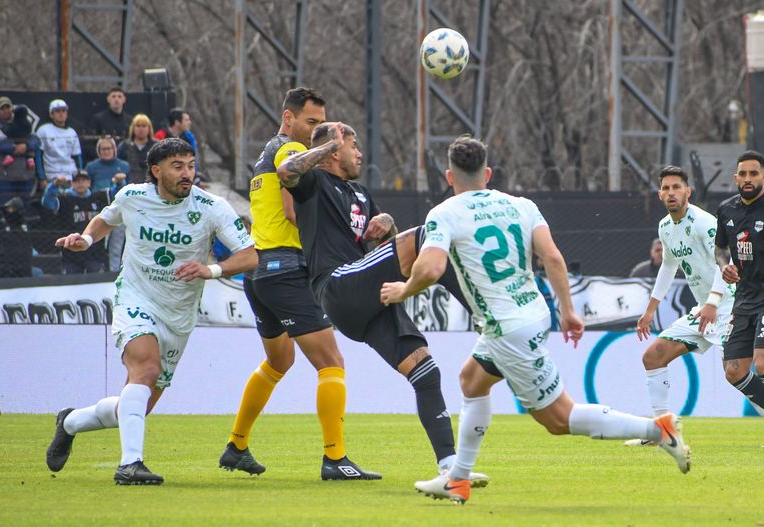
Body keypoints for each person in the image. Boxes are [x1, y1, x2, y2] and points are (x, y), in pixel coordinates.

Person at [379, 136, 691, 504]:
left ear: (450, 177)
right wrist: (568, 309)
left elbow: (430, 268)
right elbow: (554, 259)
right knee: (471, 380)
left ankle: (659, 430)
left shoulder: (444, 213)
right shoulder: (521, 205)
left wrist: (403, 290)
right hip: (531, 313)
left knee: (559, 419)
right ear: (488, 173)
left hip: (506, 328)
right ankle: (457, 479)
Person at [277, 122, 488, 486]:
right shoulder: (314, 184)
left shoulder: (359, 194)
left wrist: (388, 224)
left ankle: (450, 468)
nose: (359, 153)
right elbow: (286, 171)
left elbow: (384, 250)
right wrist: (327, 147)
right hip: (338, 284)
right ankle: (486, 317)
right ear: (333, 149)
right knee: (426, 236)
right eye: (353, 145)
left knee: (426, 372)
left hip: (367, 300)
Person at [45, 138, 258, 485]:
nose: (187, 173)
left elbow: (250, 255)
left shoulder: (211, 207)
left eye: (190, 165)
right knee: (145, 368)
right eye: (178, 166)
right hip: (136, 298)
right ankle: (130, 465)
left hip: (179, 314)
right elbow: (105, 219)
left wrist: (211, 270)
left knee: (136, 406)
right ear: (156, 171)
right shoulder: (132, 197)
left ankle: (69, 422)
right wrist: (85, 239)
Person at [218, 88, 378, 480]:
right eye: (310, 121)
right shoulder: (288, 149)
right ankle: (335, 459)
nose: (314, 130)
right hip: (287, 269)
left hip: (260, 271)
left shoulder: (266, 154)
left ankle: (237, 445)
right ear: (288, 118)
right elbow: (294, 211)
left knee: (279, 361)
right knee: (331, 362)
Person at [625, 165, 735, 446]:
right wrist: (650, 310)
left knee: (738, 373)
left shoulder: (705, 222)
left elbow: (726, 263)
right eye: (666, 188)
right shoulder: (665, 227)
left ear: (688, 191)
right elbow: (668, 267)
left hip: (729, 306)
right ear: (660, 193)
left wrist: (712, 303)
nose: (671, 193)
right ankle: (663, 431)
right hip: (704, 309)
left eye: (677, 187)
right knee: (653, 356)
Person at [714, 150, 764, 427]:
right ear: (735, 177)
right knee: (733, 371)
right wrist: (724, 265)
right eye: (743, 174)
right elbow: (720, 247)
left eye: (753, 173)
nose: (748, 179)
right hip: (744, 299)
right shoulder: (726, 209)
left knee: (763, 363)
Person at [42, 171, 125, 274]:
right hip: (71, 255)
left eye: (84, 180)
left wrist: (119, 183)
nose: (80, 183)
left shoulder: (100, 197)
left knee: (97, 285)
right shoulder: (64, 200)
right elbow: (47, 202)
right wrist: (54, 185)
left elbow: (119, 195)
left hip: (96, 253)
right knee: (71, 285)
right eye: (77, 181)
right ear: (72, 184)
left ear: (89, 183)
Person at [86, 136, 131, 271]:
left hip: (119, 210)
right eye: (103, 149)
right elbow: (88, 186)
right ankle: (99, 273)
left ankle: (113, 273)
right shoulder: (91, 167)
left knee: (116, 247)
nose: (106, 151)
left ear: (114, 149)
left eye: (109, 148)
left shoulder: (124, 166)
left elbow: (128, 188)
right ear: (98, 151)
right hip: (98, 210)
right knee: (98, 246)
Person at [0, 97, 40, 208]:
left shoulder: (24, 125)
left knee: (26, 208)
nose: (6, 110)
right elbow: (1, 145)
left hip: (26, 175)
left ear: (12, 109)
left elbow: (36, 141)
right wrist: (17, 148)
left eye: (8, 107)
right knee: (4, 207)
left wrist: (27, 146)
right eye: (2, 108)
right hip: (6, 177)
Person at [36, 99, 83, 187]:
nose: (61, 114)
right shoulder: (43, 130)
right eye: (57, 111)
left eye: (63, 111)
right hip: (52, 177)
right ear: (51, 114)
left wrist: (80, 177)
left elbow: (77, 157)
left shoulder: (72, 132)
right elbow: (38, 156)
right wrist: (42, 178)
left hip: (71, 176)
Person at [118, 114, 157, 185]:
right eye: (138, 126)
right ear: (133, 128)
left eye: (144, 126)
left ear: (149, 128)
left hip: (151, 185)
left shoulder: (156, 146)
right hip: (129, 185)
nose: (141, 129)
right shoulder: (124, 145)